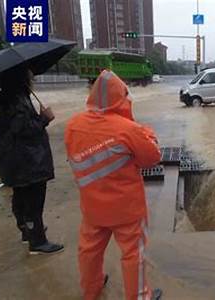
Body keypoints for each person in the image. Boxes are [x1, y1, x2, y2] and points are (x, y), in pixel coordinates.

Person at [65, 70, 162, 300]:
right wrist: (148, 134)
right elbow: (152, 157)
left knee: (89, 251)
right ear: (121, 97)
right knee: (132, 255)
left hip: (92, 207)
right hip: (126, 209)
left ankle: (91, 290)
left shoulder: (73, 125)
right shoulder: (128, 129)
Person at [0, 66, 64, 255]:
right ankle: (37, 242)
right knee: (33, 201)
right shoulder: (17, 100)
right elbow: (24, 130)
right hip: (28, 161)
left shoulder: (1, 100)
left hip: (12, 161)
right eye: (29, 74)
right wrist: (44, 119)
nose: (32, 77)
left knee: (21, 198)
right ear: (20, 77)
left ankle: (27, 231)